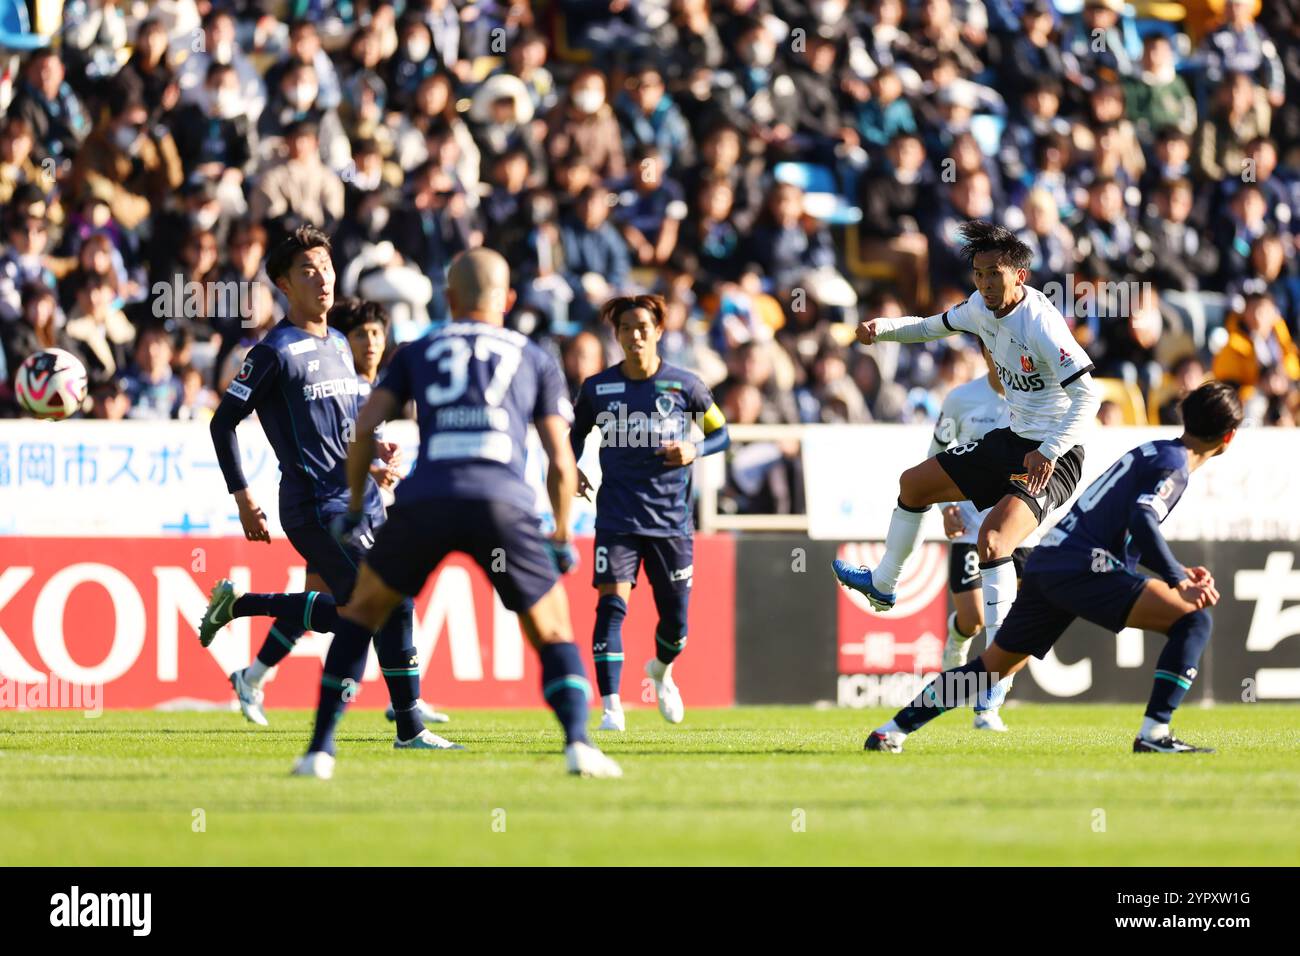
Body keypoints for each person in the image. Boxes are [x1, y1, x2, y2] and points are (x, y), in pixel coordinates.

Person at [288, 248, 622, 779]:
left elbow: (362, 429)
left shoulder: (419, 350)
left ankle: (319, 753)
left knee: (359, 616)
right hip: (502, 502)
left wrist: (354, 508)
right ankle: (579, 746)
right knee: (553, 629)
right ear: (509, 299)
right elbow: (560, 459)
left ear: (448, 298)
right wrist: (560, 534)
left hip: (427, 500)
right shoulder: (533, 356)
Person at [865, 382, 1243, 755]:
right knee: (1194, 621)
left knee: (992, 666)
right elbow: (1143, 518)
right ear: (1228, 437)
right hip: (1083, 566)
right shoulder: (1174, 466)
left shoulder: (1155, 451)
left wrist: (1177, 569)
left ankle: (892, 730)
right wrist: (1177, 579)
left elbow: (1127, 523)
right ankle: (1154, 733)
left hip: (1050, 560)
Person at [833, 221, 1100, 721]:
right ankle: (885, 583)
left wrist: (1051, 448)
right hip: (1013, 441)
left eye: (994, 274)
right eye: (978, 274)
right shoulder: (979, 307)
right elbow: (931, 325)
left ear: (1019, 274)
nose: (984, 284)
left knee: (995, 543)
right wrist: (883, 329)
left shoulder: (1040, 322)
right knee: (913, 484)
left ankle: (993, 678)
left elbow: (1090, 395)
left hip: (1055, 453)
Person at [198, 228, 449, 749]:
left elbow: (348, 420)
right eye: (308, 270)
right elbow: (222, 423)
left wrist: (375, 447)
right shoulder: (273, 352)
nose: (322, 278)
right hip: (315, 507)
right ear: (285, 285)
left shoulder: (337, 343)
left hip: (363, 500)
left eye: (327, 267)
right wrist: (243, 496)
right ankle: (410, 729)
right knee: (383, 604)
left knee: (362, 610)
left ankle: (239, 607)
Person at [568, 294, 730, 732]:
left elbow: (722, 433)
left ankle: (660, 669)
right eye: (625, 328)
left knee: (676, 626)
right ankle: (611, 708)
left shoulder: (686, 385)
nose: (634, 336)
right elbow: (573, 435)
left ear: (659, 331)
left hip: (671, 522)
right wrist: (574, 469)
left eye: (642, 327)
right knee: (610, 607)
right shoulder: (597, 388)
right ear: (616, 335)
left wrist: (695, 447)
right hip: (617, 518)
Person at [930, 343, 1036, 731]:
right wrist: (945, 509)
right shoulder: (961, 399)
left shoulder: (1038, 399)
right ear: (984, 352)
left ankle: (989, 706)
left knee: (1013, 624)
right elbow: (936, 454)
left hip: (1022, 526)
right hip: (972, 527)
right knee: (976, 618)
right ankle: (958, 637)